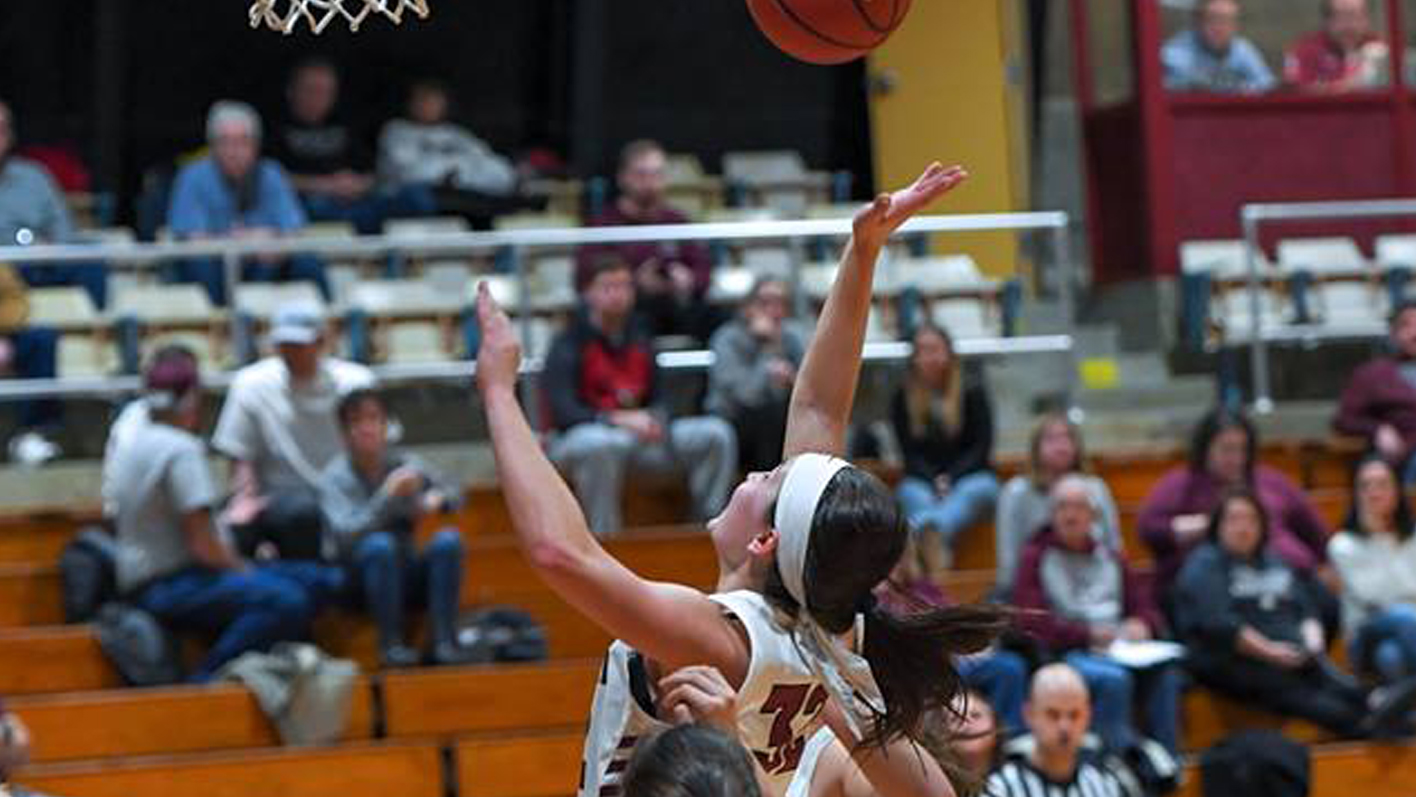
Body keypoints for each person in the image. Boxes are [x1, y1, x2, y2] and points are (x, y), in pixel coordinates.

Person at [479, 162, 1002, 797]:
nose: (760, 468)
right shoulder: (820, 626)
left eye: (771, 478)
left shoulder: (722, 637)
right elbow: (817, 407)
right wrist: (862, 251)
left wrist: (500, 391)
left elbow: (560, 552)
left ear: (766, 542)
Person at [110, 346, 344, 682]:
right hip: (170, 582)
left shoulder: (131, 434)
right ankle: (207, 683)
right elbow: (204, 545)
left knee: (316, 579)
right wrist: (245, 569)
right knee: (287, 599)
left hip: (147, 578)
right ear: (191, 398)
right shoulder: (180, 449)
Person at [1173, 489, 1416, 739]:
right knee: (1324, 704)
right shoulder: (1205, 565)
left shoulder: (1274, 561)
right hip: (1245, 663)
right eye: (1234, 519)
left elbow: (1307, 607)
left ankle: (1382, 706)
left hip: (1296, 657)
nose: (1243, 527)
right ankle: (1373, 723)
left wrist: (1313, 639)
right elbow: (1220, 625)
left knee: (1346, 688)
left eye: (1250, 519)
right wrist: (1271, 651)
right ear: (1218, 525)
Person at [543, 254, 737, 538]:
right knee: (599, 445)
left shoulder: (641, 334)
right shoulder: (568, 341)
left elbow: (662, 397)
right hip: (582, 440)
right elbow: (564, 412)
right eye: (608, 286)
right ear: (588, 294)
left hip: (641, 440)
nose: (618, 294)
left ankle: (708, 531)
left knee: (715, 434)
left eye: (625, 286)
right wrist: (616, 420)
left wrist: (656, 418)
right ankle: (604, 542)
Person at [1013, 476, 1181, 754]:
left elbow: (1143, 605)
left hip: (1119, 647)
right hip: (1068, 651)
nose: (1070, 514)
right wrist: (1087, 635)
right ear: (1052, 514)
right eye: (1062, 507)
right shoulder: (1035, 555)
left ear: (1093, 514)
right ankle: (1113, 769)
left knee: (1167, 675)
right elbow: (1032, 621)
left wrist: (1142, 623)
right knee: (1113, 680)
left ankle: (1166, 767)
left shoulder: (1112, 555)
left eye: (1079, 507)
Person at [319, 388, 473, 667]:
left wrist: (437, 499)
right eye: (356, 421)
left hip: (405, 570)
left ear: (386, 426)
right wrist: (387, 497)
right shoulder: (334, 476)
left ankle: (444, 642)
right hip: (358, 580)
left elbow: (455, 490)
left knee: (448, 541)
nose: (366, 428)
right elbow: (345, 536)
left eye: (373, 418)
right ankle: (390, 647)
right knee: (380, 546)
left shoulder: (404, 463)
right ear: (344, 433)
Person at [1137, 408, 1334, 620]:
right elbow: (1150, 528)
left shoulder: (1270, 482)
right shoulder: (1182, 484)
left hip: (1284, 577)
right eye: (1227, 449)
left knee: (1324, 602)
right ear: (1205, 449)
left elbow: (1316, 531)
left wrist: (1322, 565)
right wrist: (1207, 526)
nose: (1237, 458)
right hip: (1219, 585)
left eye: (1243, 449)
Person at [213, 302, 375, 561]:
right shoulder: (250, 384)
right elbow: (241, 455)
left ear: (321, 342)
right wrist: (244, 499)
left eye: (299, 345)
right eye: (283, 345)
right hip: (280, 501)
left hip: (346, 497)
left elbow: (376, 449)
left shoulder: (355, 382)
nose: (290, 353)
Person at [168, 100, 327, 305]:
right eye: (225, 142)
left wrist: (269, 241)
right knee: (199, 263)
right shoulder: (193, 176)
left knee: (305, 261)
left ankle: (327, 325)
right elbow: (192, 240)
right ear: (212, 146)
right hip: (214, 263)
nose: (234, 151)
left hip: (266, 261)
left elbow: (293, 231)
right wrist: (236, 243)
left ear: (256, 146)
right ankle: (217, 326)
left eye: (243, 142)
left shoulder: (271, 173)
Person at [270, 58, 435, 235]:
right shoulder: (275, 127)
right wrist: (325, 186)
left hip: (359, 200)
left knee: (417, 197)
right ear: (291, 91)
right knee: (314, 207)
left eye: (326, 92)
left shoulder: (347, 124)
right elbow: (269, 178)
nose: (318, 98)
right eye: (311, 90)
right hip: (312, 203)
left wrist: (359, 184)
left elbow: (376, 172)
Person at [577, 140, 716, 340]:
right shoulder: (602, 225)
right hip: (627, 314)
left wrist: (687, 279)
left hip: (676, 308)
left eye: (657, 174)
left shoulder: (677, 221)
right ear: (622, 177)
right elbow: (584, 280)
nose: (650, 182)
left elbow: (704, 269)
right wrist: (633, 283)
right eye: (641, 174)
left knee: (717, 319)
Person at [890, 323, 998, 578]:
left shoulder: (972, 390)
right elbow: (909, 454)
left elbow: (982, 447)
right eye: (922, 350)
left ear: (949, 353)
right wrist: (933, 480)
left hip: (971, 477)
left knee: (972, 492)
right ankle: (935, 558)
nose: (929, 357)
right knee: (912, 493)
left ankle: (928, 534)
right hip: (924, 480)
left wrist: (951, 479)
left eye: (935, 349)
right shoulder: (902, 397)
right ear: (914, 358)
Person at [984, 664, 1174, 797]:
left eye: (1074, 715)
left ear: (1088, 715)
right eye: (1053, 714)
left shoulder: (1108, 783)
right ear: (1029, 714)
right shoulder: (1000, 787)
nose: (1065, 727)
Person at [994, 413, 1120, 596]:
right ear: (1036, 448)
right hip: (1035, 590)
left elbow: (1113, 548)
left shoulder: (1096, 488)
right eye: (1051, 439)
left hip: (1093, 588)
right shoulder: (1016, 492)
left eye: (1067, 437)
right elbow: (1009, 564)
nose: (1061, 446)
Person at [377, 79, 530, 227]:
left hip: (461, 202)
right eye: (423, 101)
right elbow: (412, 175)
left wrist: (455, 175)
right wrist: (457, 171)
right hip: (410, 207)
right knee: (419, 196)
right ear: (411, 104)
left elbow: (501, 173)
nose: (428, 106)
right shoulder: (397, 132)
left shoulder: (456, 134)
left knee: (500, 209)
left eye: (434, 102)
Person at [0, 99, 107, 308]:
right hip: (4, 267)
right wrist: (23, 243)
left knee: (91, 259)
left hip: (42, 261)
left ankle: (95, 333)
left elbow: (63, 226)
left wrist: (51, 246)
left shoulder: (34, 175)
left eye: (2, 128)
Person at [706, 277, 811, 472]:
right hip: (735, 421)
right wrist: (767, 348)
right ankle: (768, 496)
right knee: (767, 416)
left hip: (781, 424)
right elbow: (746, 396)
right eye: (765, 302)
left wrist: (792, 380)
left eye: (780, 302)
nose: (774, 310)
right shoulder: (727, 338)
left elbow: (813, 392)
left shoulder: (793, 337)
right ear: (747, 307)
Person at [1328, 455, 1416, 684]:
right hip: (1366, 633)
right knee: (1403, 615)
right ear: (1355, 495)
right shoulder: (1342, 544)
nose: (1374, 493)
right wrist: (1377, 533)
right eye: (1365, 486)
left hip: (1404, 636)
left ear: (1398, 491)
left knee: (1392, 658)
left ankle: (1400, 718)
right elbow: (1376, 597)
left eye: (1382, 484)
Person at [1334, 300, 1416, 483]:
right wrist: (1378, 429)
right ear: (1393, 334)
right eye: (1406, 325)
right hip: (1405, 456)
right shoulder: (1372, 374)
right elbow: (1344, 420)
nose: (1415, 333)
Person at [0, 264, 62, 466]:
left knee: (42, 338)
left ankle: (32, 434)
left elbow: (17, 301)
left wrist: (3, 333)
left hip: (5, 335)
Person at [1161, 0, 1276, 93]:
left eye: (1226, 21)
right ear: (1197, 22)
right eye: (1212, 19)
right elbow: (1167, 88)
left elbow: (1267, 85)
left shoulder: (1242, 49)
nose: (1219, 28)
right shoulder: (1176, 52)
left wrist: (1238, 89)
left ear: (1235, 26)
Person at [1284, 0, 1387, 91]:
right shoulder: (1306, 50)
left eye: (1355, 16)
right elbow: (1297, 90)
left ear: (1367, 19)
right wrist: (1347, 87)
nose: (1349, 25)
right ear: (1327, 20)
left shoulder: (1382, 49)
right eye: (1341, 17)